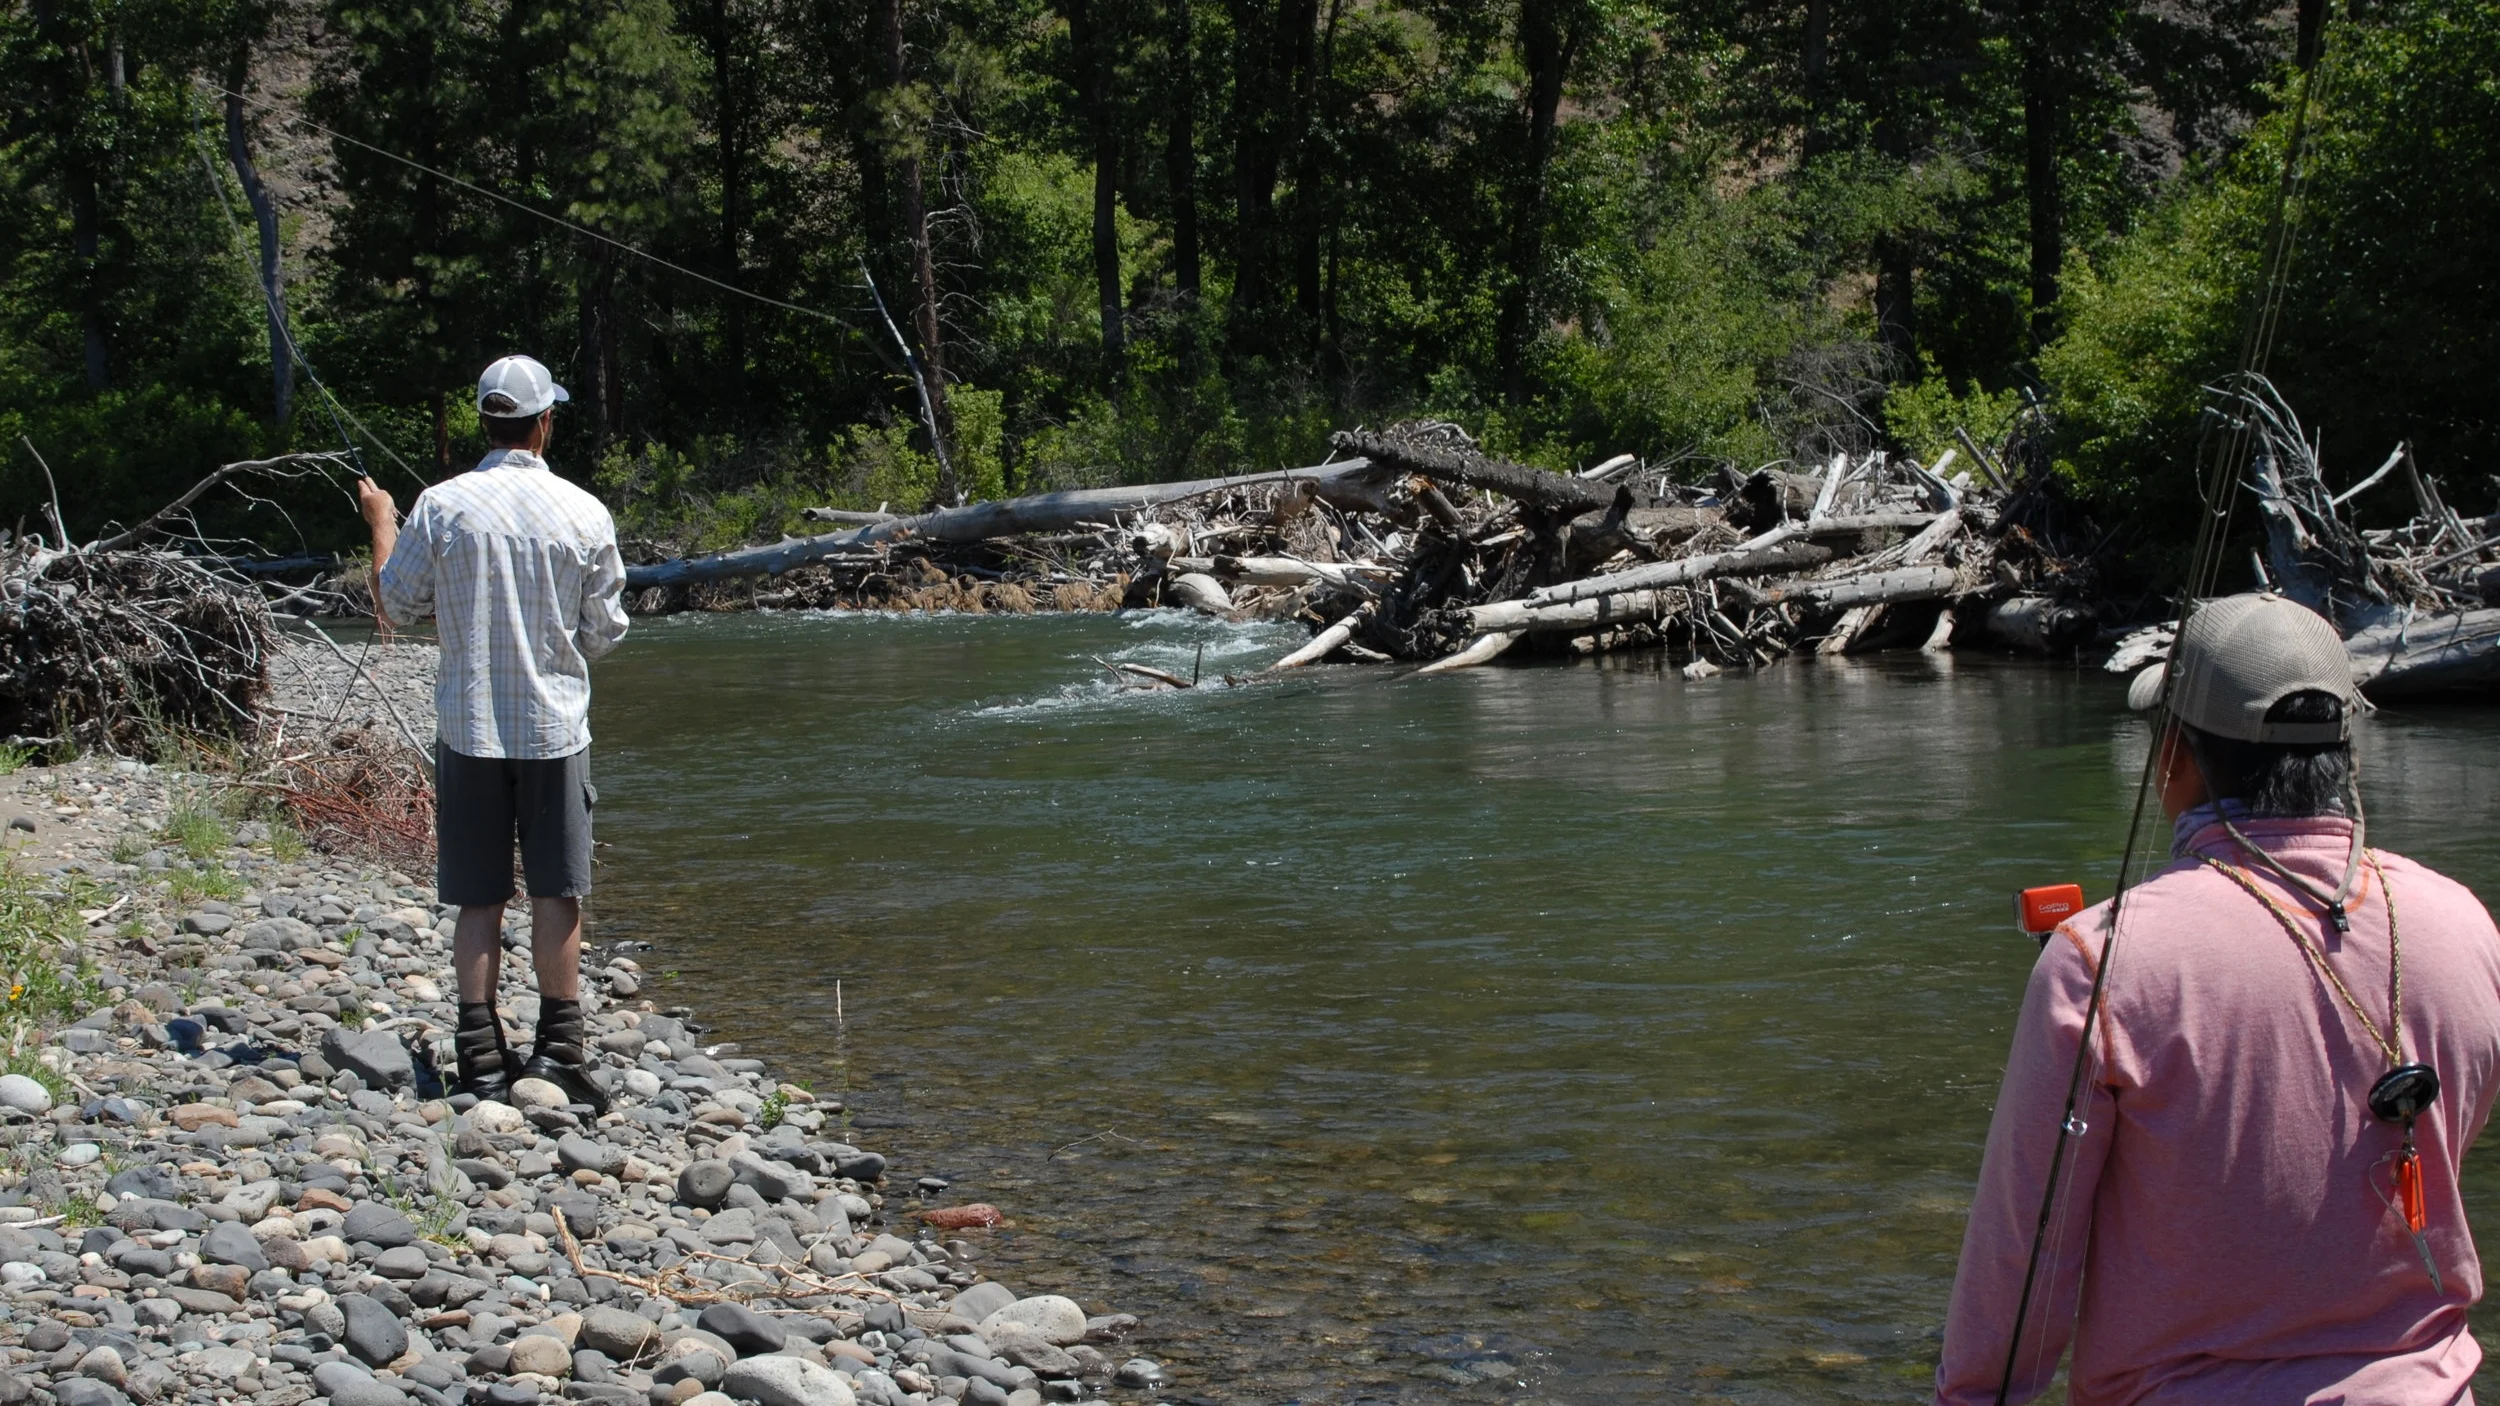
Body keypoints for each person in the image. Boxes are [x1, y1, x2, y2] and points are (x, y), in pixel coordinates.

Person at [1936, 592, 2500, 1404]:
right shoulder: (2466, 924)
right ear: (2347, 752)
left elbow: (2026, 1250)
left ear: (2176, 755)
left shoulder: (2101, 961)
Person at [355, 354, 630, 1111]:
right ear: (545, 424)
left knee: (479, 899)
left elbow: (395, 605)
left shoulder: (439, 507)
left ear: (486, 422)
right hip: (554, 730)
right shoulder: (584, 511)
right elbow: (604, 634)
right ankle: (558, 1054)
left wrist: (381, 523)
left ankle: (479, 1058)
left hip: (469, 729)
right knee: (558, 892)